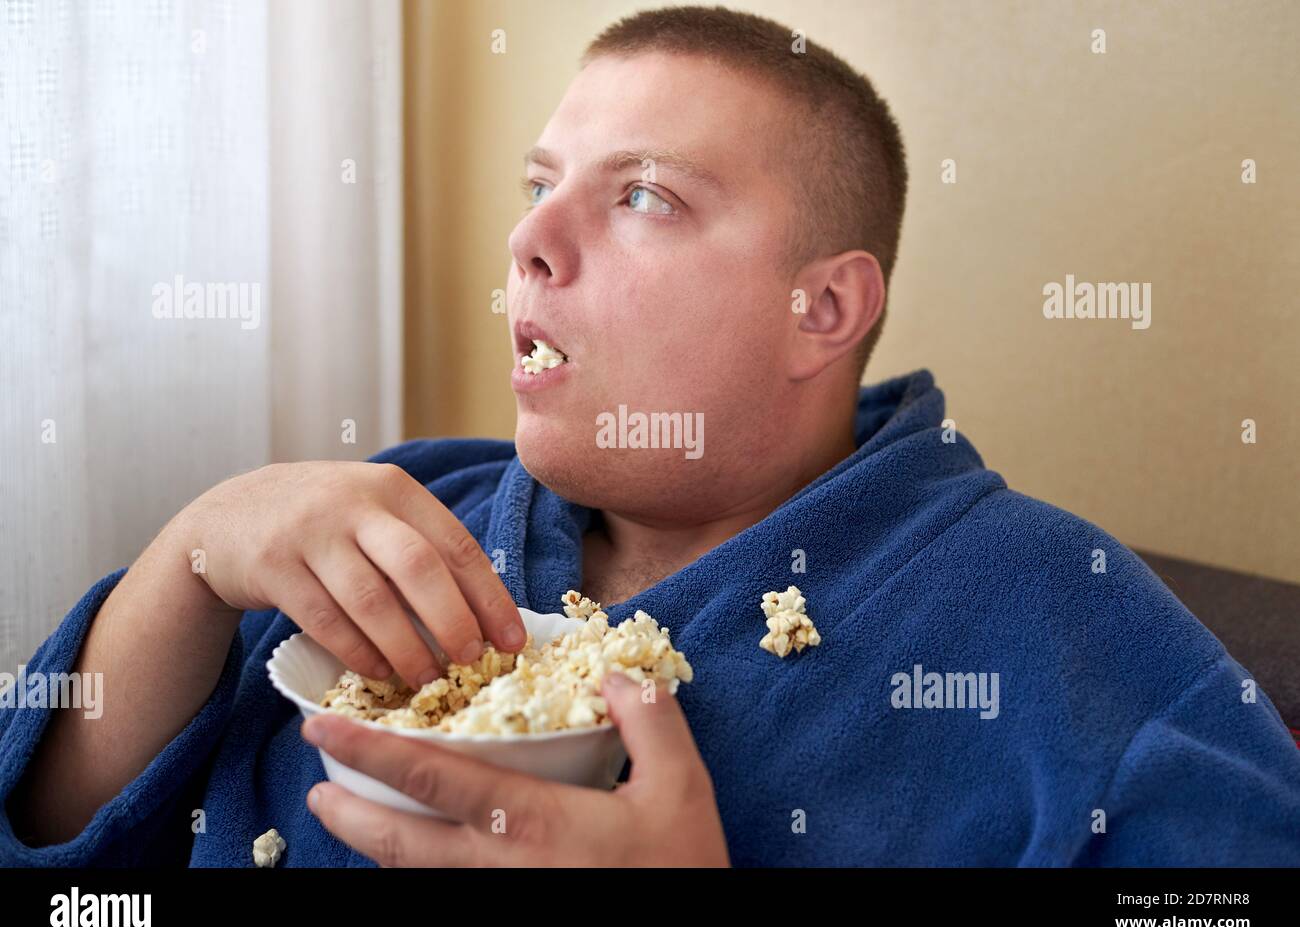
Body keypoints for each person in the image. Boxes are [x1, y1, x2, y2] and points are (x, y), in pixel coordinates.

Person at [3, 5, 1297, 867]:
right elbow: (62, 845)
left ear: (821, 309)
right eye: (537, 185)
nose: (529, 239)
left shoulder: (1068, 623)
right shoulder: (396, 512)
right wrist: (192, 553)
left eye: (642, 196)